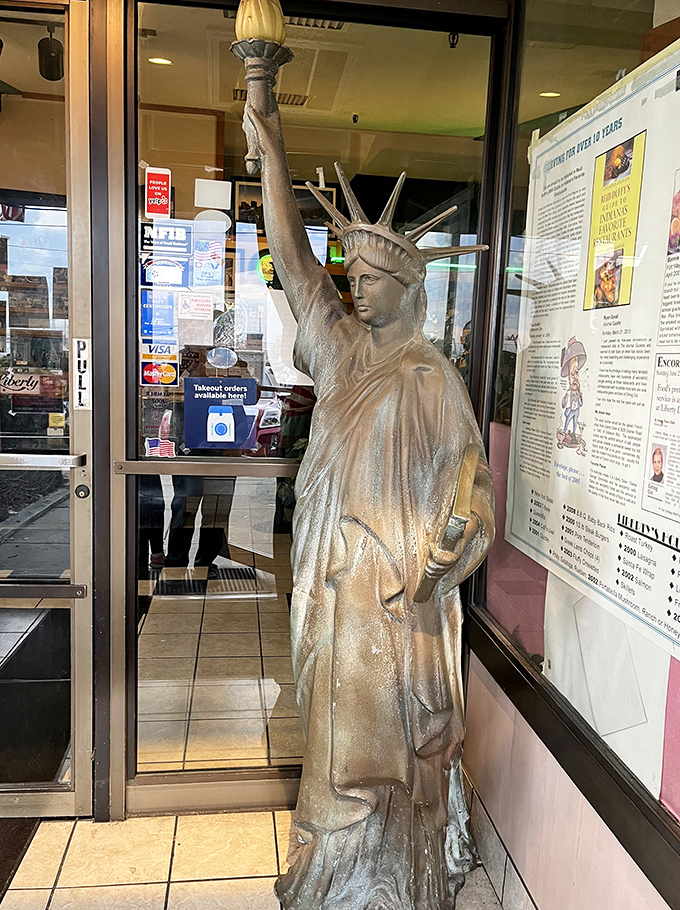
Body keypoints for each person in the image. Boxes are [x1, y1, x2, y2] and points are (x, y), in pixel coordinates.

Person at [241, 52, 495, 910]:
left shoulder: (432, 379)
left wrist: (452, 542)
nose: (357, 288)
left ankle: (397, 874)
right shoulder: (342, 350)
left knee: (387, 744)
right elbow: (294, 258)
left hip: (395, 597)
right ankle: (334, 875)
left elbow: (472, 491)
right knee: (331, 736)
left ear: (409, 289)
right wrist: (270, 142)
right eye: (354, 277)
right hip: (332, 583)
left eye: (374, 280)